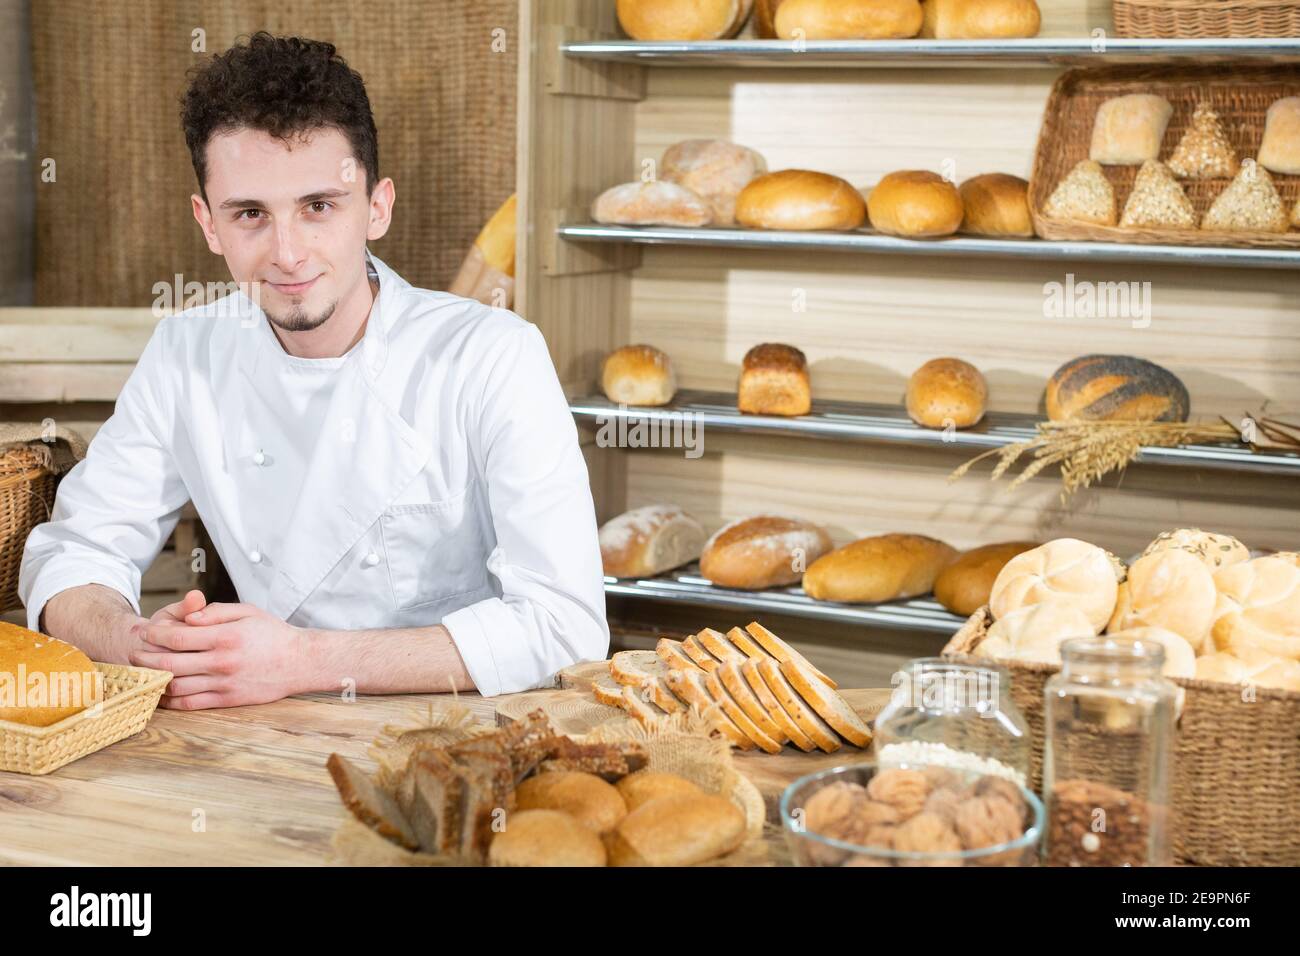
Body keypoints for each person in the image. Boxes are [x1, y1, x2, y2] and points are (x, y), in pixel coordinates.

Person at [19, 33, 608, 708]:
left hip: (463, 738)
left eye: (318, 206)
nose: (288, 253)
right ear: (208, 223)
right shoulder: (186, 355)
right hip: (268, 737)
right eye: (250, 215)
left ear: (377, 206)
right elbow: (74, 552)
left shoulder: (493, 355)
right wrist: (136, 641)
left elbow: (566, 626)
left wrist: (302, 660)